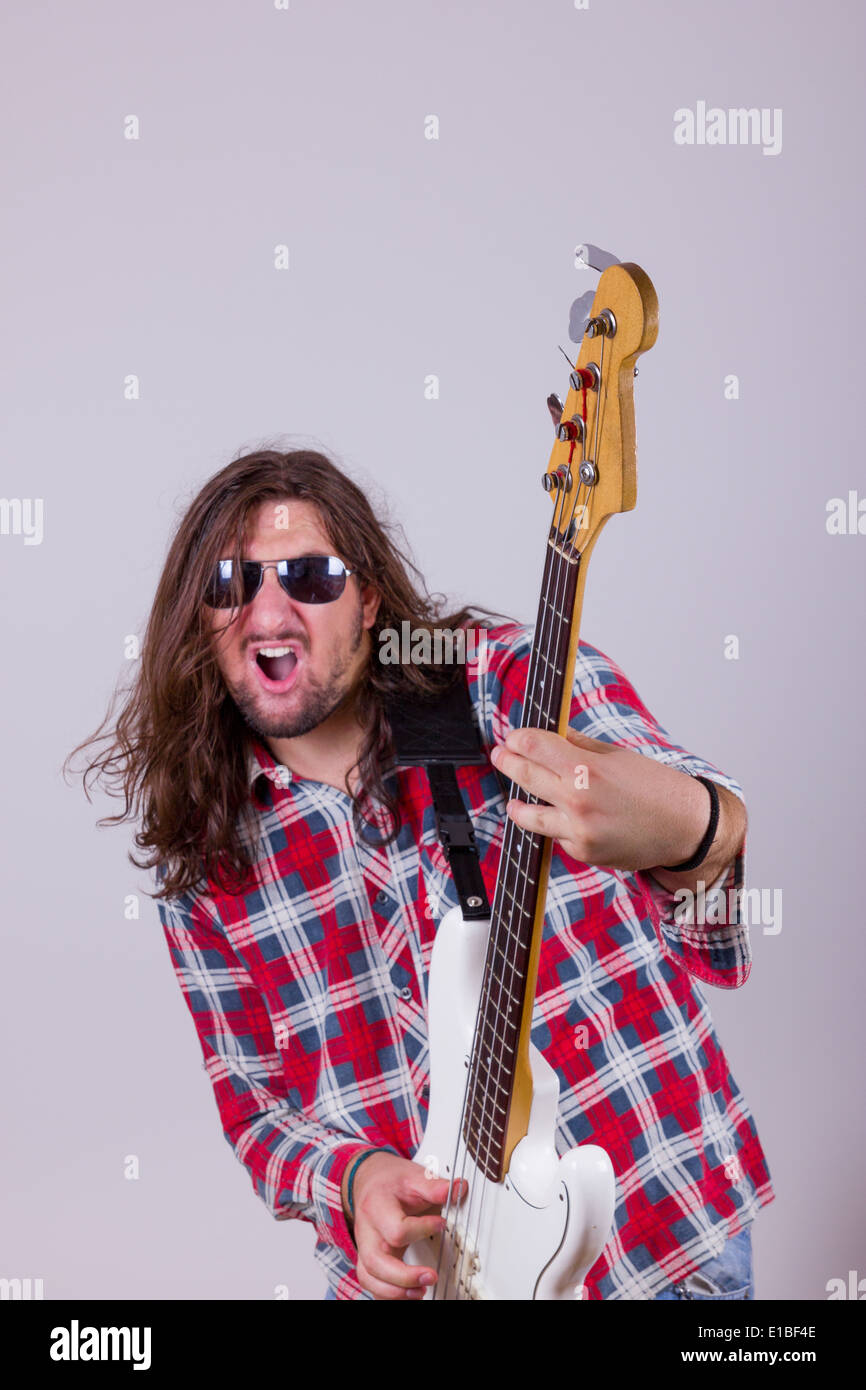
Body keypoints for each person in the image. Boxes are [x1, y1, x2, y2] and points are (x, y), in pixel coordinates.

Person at [69, 446, 775, 1300]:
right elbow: (257, 1113)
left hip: (655, 1245)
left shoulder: (509, 685)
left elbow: (713, 864)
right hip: (443, 1282)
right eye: (232, 582)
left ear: (368, 599)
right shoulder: (206, 852)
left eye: (311, 576)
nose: (269, 611)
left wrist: (690, 825)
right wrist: (357, 1178)